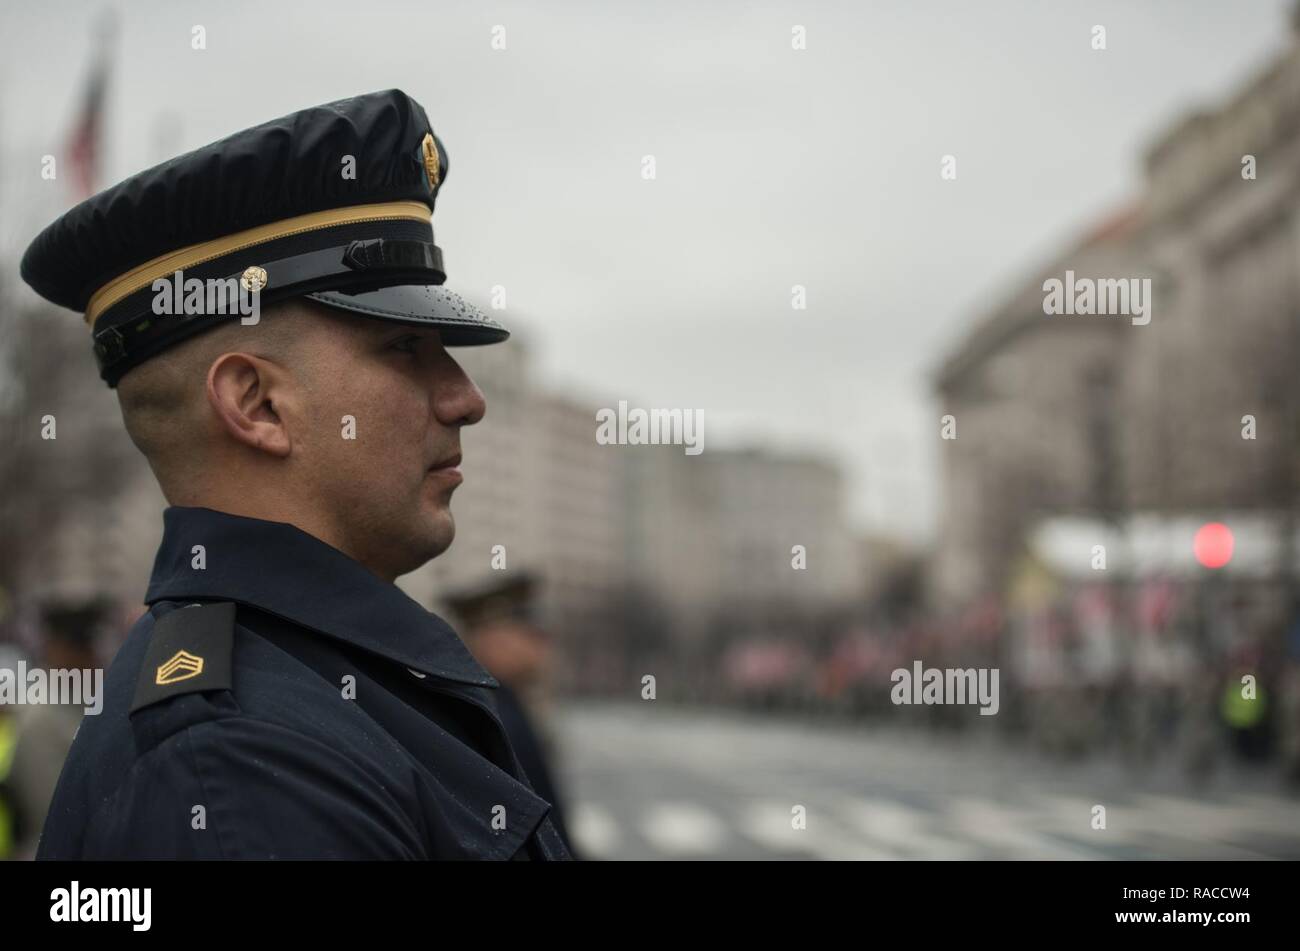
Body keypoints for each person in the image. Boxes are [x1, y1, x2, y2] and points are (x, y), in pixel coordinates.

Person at [19, 89, 571, 860]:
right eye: (406, 349)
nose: (465, 398)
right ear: (258, 404)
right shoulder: (238, 767)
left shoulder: (298, 695)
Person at [445, 573, 578, 856]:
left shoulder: (504, 703)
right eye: (529, 633)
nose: (541, 647)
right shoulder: (494, 716)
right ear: (494, 639)